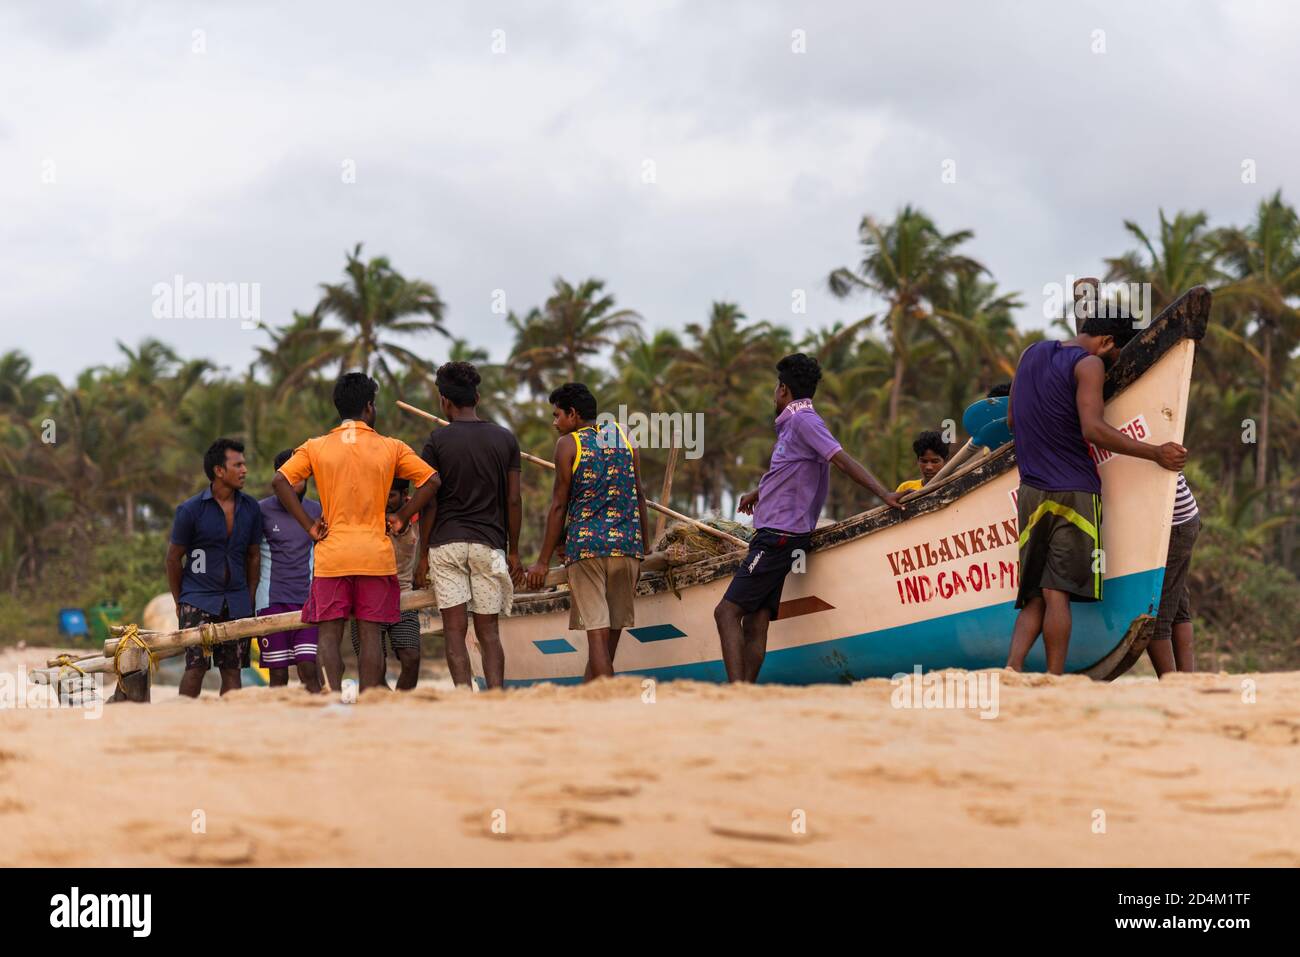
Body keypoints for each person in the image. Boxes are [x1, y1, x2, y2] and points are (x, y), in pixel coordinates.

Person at [1005, 314, 1186, 674]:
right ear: (1106, 342)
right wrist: (1154, 452)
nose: (1109, 365)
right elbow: (1092, 428)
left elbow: (1012, 421)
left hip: (1030, 491)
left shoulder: (1030, 354)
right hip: (1074, 491)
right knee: (1058, 594)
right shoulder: (1088, 364)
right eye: (1114, 358)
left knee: (1035, 593)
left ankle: (1012, 668)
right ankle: (1055, 678)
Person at [714, 353, 903, 683]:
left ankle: (735, 693)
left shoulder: (804, 422)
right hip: (779, 533)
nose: (774, 394)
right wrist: (757, 493)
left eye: (776, 387)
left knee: (726, 612)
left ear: (784, 390)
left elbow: (841, 460)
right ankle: (744, 692)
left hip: (777, 535)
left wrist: (884, 493)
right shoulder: (794, 425)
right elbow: (789, 469)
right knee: (756, 619)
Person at [272, 373, 439, 694]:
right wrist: (402, 516)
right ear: (369, 407)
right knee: (371, 633)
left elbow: (280, 481)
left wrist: (309, 526)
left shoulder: (315, 446)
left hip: (332, 555)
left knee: (329, 634)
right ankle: (369, 697)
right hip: (375, 556)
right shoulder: (391, 447)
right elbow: (431, 480)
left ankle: (333, 696)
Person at [524, 382, 649, 682]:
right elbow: (639, 495)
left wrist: (542, 561)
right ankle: (589, 695)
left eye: (557, 416)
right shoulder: (624, 435)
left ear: (574, 414)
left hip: (588, 551)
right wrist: (644, 548)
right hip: (628, 548)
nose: (555, 423)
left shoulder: (568, 445)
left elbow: (558, 505)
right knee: (609, 641)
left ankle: (605, 703)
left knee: (597, 637)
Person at [415, 361, 522, 690]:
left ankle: (463, 695)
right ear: (476, 397)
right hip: (488, 545)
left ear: (444, 401)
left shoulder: (436, 441)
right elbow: (514, 500)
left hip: (445, 546)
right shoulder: (505, 439)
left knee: (454, 631)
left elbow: (429, 502)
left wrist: (422, 557)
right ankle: (496, 697)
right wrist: (514, 551)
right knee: (489, 631)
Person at [166, 438, 264, 698]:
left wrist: (249, 596)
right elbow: (173, 559)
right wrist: (181, 601)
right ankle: (184, 724)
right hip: (197, 599)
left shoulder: (251, 508)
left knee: (232, 670)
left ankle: (229, 729)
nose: (244, 470)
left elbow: (254, 556)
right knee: (195, 668)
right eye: (238, 465)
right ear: (219, 471)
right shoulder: (190, 510)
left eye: (244, 464)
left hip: (237, 600)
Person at [256, 449, 323, 691]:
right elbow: (250, 558)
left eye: (301, 475)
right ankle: (278, 726)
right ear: (278, 478)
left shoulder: (317, 510)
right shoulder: (260, 511)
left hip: (306, 603)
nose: (296, 481)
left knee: (309, 669)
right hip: (270, 602)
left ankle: (320, 724)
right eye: (290, 476)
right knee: (278, 675)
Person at [350, 479, 423, 689]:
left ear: (404, 495)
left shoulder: (418, 517)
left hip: (404, 595)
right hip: (368, 596)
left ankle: (401, 705)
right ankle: (384, 706)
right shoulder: (367, 516)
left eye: (391, 496)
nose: (385, 501)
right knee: (375, 665)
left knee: (411, 658)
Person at [1146, 473, 1201, 677]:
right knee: (1177, 606)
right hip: (1184, 517)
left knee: (1156, 613)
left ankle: (1170, 683)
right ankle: (1185, 681)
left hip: (1173, 524)